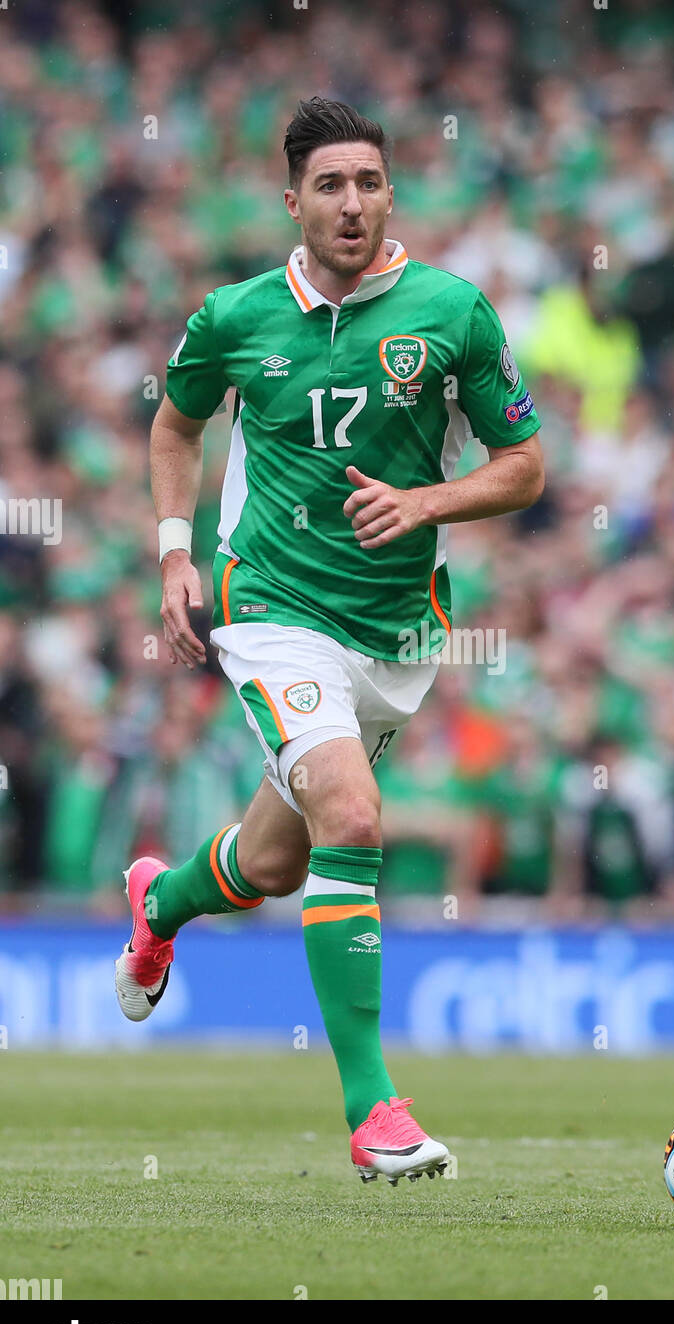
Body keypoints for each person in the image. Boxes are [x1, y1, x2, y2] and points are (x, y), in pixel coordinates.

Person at [114, 97, 544, 1185]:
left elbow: (525, 465)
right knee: (352, 812)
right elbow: (176, 417)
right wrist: (174, 550)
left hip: (396, 633)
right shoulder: (234, 316)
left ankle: (161, 902)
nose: (351, 203)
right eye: (330, 185)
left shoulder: (452, 314)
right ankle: (374, 1110)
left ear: (389, 191)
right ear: (292, 200)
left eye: (368, 182)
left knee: (276, 857)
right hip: (268, 607)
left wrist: (429, 502)